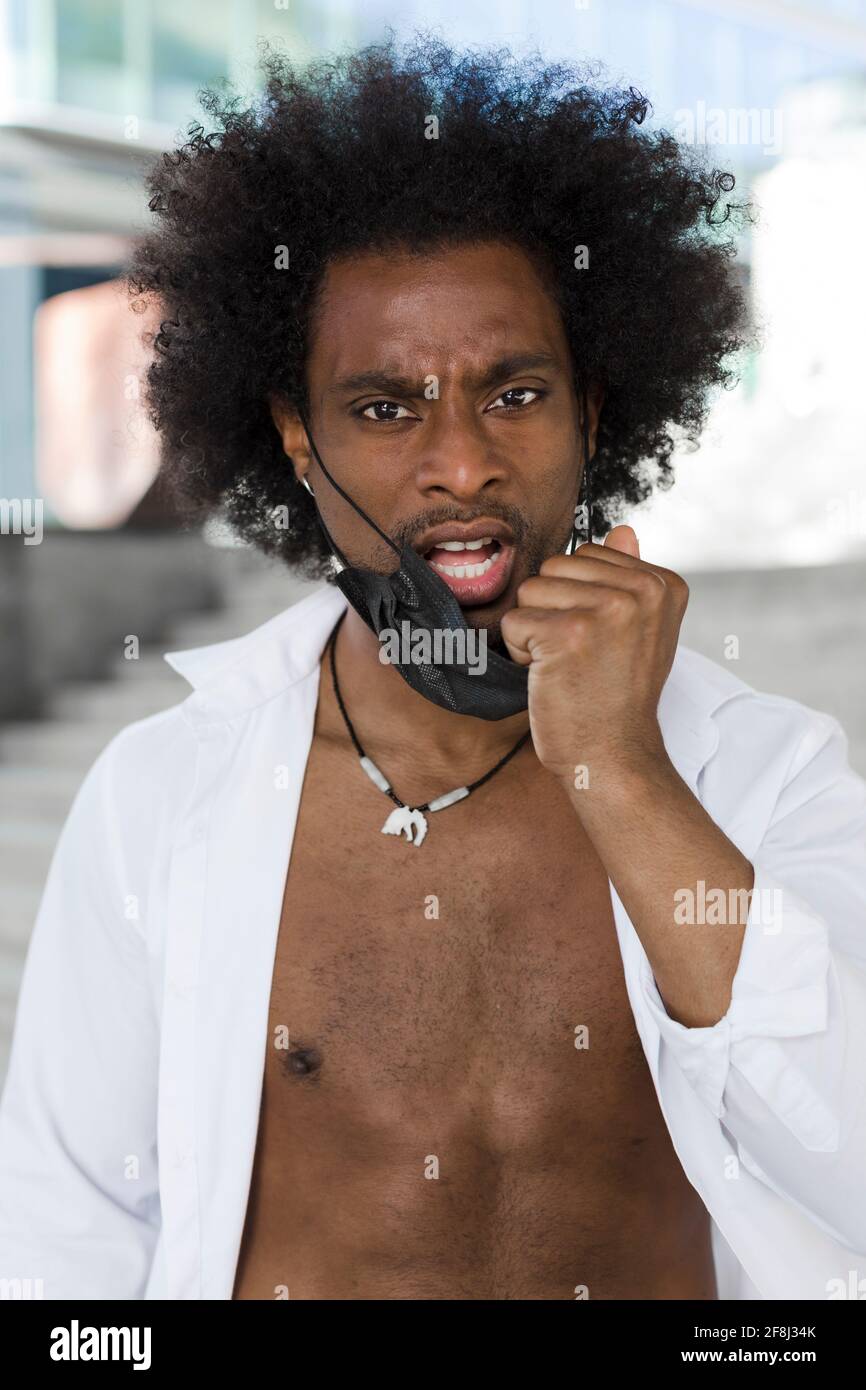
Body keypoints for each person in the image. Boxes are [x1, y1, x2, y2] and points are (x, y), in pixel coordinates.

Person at [1, 36, 865, 1302]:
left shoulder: (761, 770)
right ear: (295, 435)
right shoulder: (162, 793)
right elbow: (60, 1250)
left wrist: (621, 769)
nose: (460, 463)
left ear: (593, 411)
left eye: (514, 393)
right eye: (386, 407)